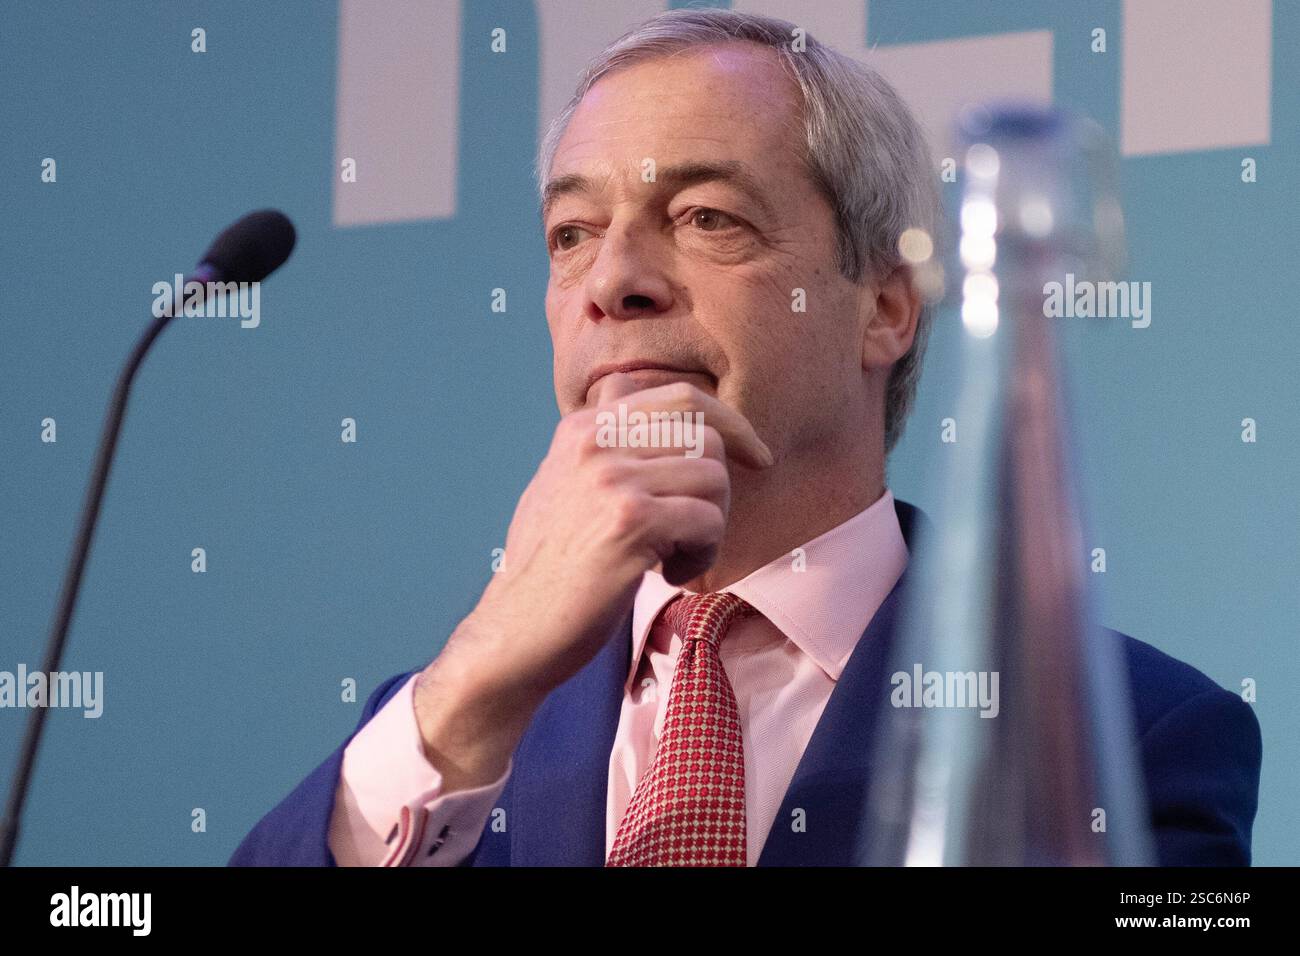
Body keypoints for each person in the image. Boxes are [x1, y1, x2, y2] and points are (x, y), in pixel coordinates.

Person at [230, 8, 1260, 867]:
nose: (610, 281)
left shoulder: (1126, 733)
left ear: (884, 308)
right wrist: (468, 688)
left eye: (706, 216)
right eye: (570, 233)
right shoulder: (450, 722)